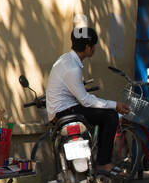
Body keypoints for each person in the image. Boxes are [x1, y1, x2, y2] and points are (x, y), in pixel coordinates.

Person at [46, 26, 128, 173]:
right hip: (65, 111)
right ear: (88, 48)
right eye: (94, 46)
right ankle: (103, 162)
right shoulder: (73, 68)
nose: (95, 48)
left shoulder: (64, 60)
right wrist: (115, 105)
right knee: (110, 116)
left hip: (59, 110)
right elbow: (86, 100)